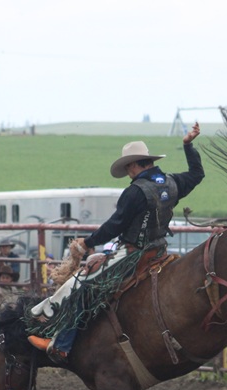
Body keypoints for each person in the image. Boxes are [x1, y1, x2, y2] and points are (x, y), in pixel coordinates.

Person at [27, 122, 204, 355]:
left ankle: (61, 345)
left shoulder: (135, 192)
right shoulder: (173, 183)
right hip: (159, 250)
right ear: (150, 162)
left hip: (134, 254)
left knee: (83, 286)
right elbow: (197, 173)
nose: (128, 172)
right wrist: (188, 145)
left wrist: (87, 243)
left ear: (132, 166)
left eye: (128, 168)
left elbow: (115, 225)